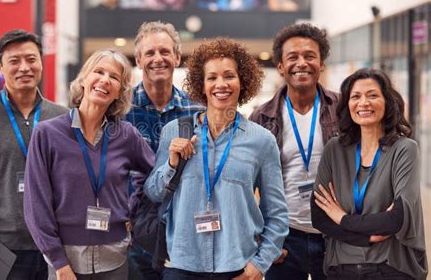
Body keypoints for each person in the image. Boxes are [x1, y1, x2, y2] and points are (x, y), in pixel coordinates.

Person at [145, 38, 289, 279]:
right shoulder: (175, 131)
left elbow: (277, 214)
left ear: (242, 82)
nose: (220, 84)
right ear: (201, 85)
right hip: (182, 264)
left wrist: (258, 266)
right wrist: (171, 163)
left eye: (229, 76)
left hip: (236, 266)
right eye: (212, 77)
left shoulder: (261, 141)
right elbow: (153, 192)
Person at [23, 49, 155, 279]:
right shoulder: (47, 133)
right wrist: (58, 262)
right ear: (84, 79)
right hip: (66, 262)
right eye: (99, 71)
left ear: (119, 93)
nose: (105, 80)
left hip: (114, 258)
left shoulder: (126, 135)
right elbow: (36, 204)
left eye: (114, 77)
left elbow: (153, 175)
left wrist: (132, 212)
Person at [0, 29, 68, 280]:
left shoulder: (61, 117)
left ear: (41, 62)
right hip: (2, 248)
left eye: (31, 59)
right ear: (0, 67)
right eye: (14, 61)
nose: (24, 67)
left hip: (55, 246)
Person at [311, 68, 428, 279]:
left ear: (387, 102)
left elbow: (396, 219)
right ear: (347, 104)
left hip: (390, 268)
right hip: (342, 269)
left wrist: (342, 218)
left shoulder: (404, 149)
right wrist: (367, 237)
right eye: (356, 96)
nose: (363, 103)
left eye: (372, 95)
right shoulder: (334, 149)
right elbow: (319, 216)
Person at [249, 23, 339, 280]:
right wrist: (262, 240)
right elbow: (246, 184)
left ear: (321, 63)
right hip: (284, 237)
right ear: (280, 66)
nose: (302, 63)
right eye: (293, 57)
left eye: (310, 56)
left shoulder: (342, 109)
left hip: (335, 235)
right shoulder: (262, 117)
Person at [125, 21, 202, 280]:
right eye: (150, 53)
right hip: (130, 233)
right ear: (138, 60)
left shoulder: (197, 111)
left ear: (177, 57)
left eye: (165, 52)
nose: (158, 59)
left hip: (183, 232)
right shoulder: (119, 112)